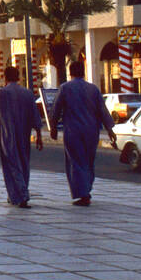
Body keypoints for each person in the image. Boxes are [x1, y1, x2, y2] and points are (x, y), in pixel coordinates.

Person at [50, 60, 116, 206]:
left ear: (70, 72)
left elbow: (56, 109)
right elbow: (103, 111)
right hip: (91, 131)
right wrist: (110, 130)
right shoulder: (93, 89)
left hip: (73, 131)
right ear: (83, 72)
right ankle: (86, 188)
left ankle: (82, 193)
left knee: (76, 161)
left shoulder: (65, 88)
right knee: (88, 161)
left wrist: (53, 127)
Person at [0, 66, 42, 208]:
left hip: (7, 134)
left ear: (5, 77)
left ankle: (22, 195)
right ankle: (16, 194)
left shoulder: (2, 93)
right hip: (24, 134)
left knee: (12, 163)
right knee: (24, 163)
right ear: (18, 77)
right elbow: (35, 116)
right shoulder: (28, 93)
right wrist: (39, 135)